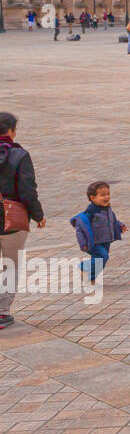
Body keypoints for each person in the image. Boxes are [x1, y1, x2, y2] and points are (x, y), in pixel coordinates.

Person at [0, 113, 47, 330]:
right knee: (11, 264)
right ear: (10, 130)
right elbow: (27, 190)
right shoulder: (19, 155)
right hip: (12, 218)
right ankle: (2, 313)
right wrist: (38, 215)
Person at [70, 181, 128, 282]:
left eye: (108, 194)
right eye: (102, 195)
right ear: (93, 198)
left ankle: (90, 278)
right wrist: (83, 243)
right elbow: (80, 228)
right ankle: (83, 266)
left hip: (105, 240)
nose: (106, 197)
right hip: (94, 242)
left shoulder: (107, 209)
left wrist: (120, 225)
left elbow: (112, 220)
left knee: (100, 262)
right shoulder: (91, 212)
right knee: (103, 257)